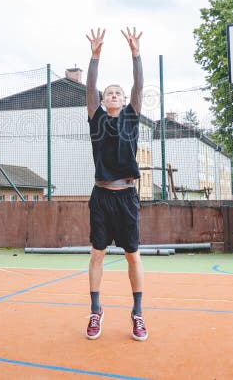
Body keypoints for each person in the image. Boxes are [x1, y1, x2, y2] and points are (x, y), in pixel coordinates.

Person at [84, 27, 147, 342]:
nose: (113, 95)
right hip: (101, 197)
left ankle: (137, 314)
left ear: (124, 101)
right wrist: (95, 57)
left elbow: (139, 84)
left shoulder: (132, 117)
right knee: (97, 253)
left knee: (132, 255)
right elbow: (91, 85)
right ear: (103, 100)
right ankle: (96, 311)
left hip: (126, 197)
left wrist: (135, 53)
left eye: (118, 93)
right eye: (109, 92)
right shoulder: (96, 117)